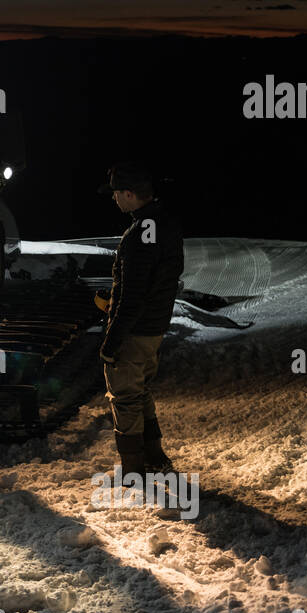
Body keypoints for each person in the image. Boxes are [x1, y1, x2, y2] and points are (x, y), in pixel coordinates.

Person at [97, 162, 184, 478]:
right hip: (155, 328)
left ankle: (134, 468)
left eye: (117, 193)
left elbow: (133, 297)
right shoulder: (168, 224)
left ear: (130, 194)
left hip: (136, 332)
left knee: (125, 397)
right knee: (141, 389)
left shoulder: (138, 236)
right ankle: (155, 455)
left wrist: (112, 342)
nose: (114, 199)